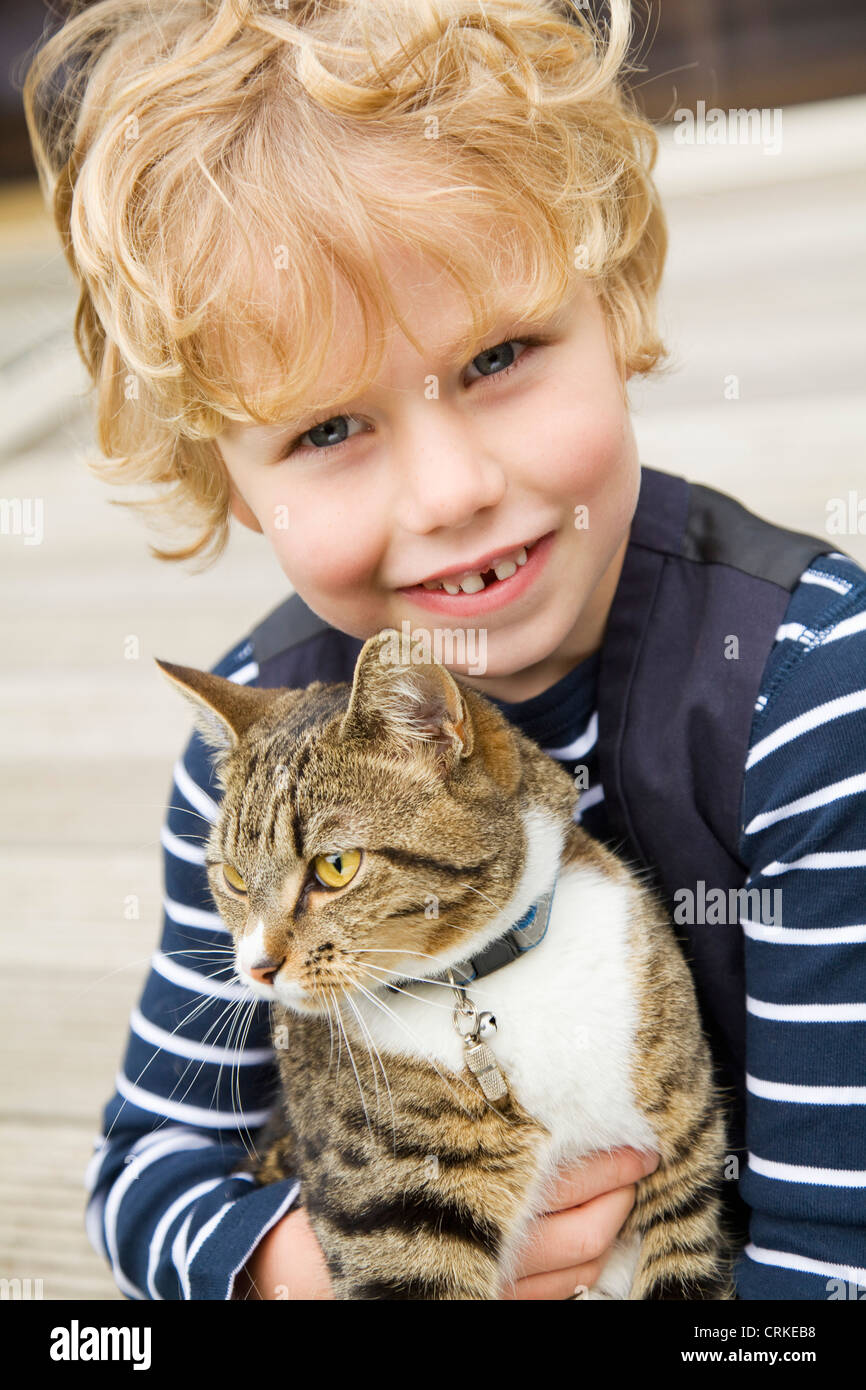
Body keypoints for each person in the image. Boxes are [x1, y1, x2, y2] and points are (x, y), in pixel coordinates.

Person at [24, 0, 866, 1300]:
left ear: (619, 299)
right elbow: (142, 1173)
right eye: (323, 431)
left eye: (497, 355)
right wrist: (295, 1270)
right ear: (232, 484)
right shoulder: (254, 777)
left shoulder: (807, 683)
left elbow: (834, 1258)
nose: (449, 490)